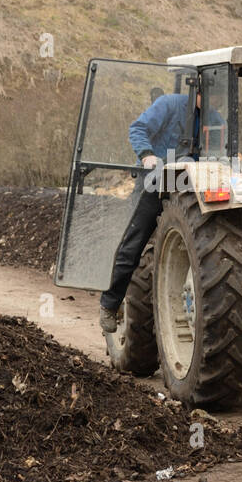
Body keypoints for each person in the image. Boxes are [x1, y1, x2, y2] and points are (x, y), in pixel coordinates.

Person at [99, 90, 219, 333]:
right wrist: (147, 155)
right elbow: (138, 128)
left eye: (217, 97)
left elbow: (218, 150)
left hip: (191, 186)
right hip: (156, 180)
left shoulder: (215, 119)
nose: (214, 102)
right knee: (134, 242)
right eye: (210, 95)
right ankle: (110, 304)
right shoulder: (170, 104)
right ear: (197, 88)